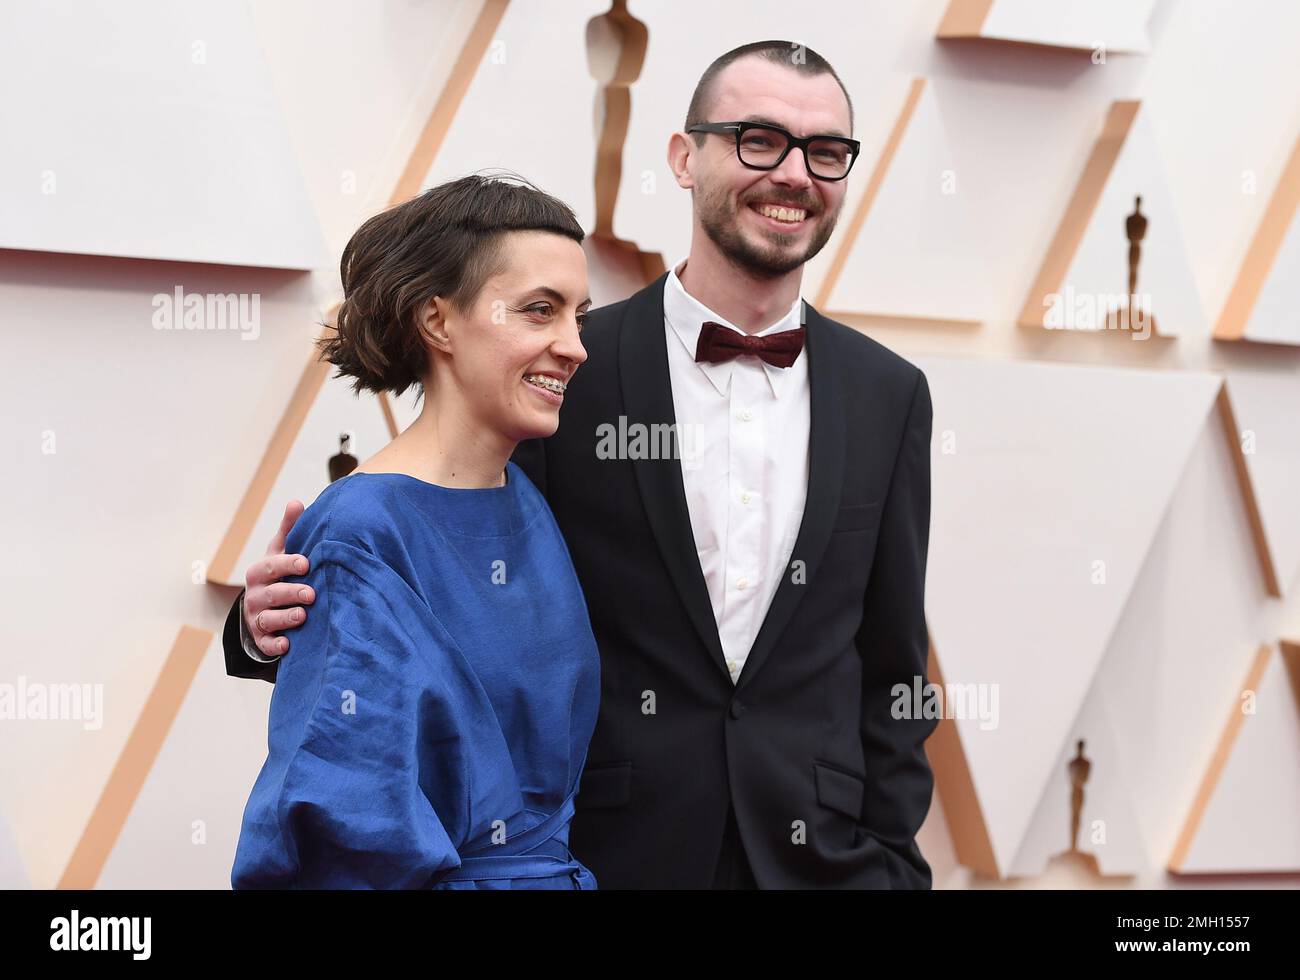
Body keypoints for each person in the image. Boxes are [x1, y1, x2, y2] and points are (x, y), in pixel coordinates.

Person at [228, 40, 937, 889]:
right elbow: (443, 566)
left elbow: (895, 657)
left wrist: (894, 858)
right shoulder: (562, 372)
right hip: (613, 857)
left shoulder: (889, 393)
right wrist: (263, 625)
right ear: (684, 157)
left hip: (826, 866)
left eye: (825, 151)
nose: (793, 172)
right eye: (758, 139)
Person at [230, 174, 601, 889]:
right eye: (538, 311)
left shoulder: (525, 499)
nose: (575, 345)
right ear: (438, 323)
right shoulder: (361, 532)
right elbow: (345, 836)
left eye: (578, 316)